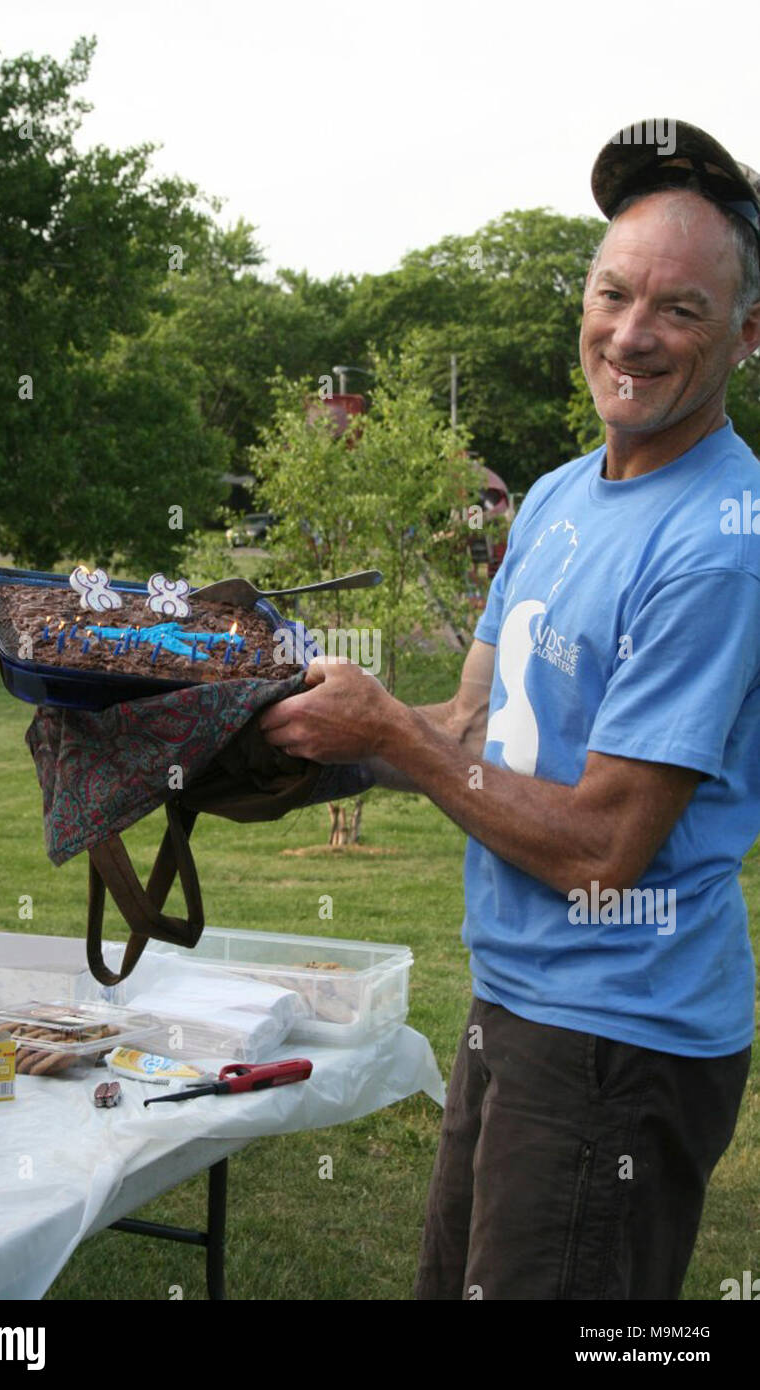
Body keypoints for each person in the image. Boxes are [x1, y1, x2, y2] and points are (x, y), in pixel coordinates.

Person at [258, 118, 760, 1300]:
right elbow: (472, 730)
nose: (630, 334)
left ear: (746, 334)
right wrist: (286, 739)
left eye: (678, 310)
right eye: (610, 292)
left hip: (618, 1036)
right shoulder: (550, 495)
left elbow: (599, 851)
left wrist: (389, 738)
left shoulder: (718, 546)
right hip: (515, 1003)